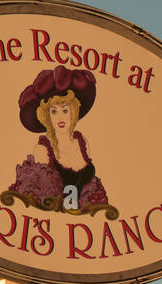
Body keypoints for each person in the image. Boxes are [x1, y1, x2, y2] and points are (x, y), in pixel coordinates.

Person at [6, 66, 114, 216]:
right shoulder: (42, 151)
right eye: (54, 111)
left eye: (65, 110)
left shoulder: (83, 144)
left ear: (73, 112)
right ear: (47, 117)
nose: (60, 117)